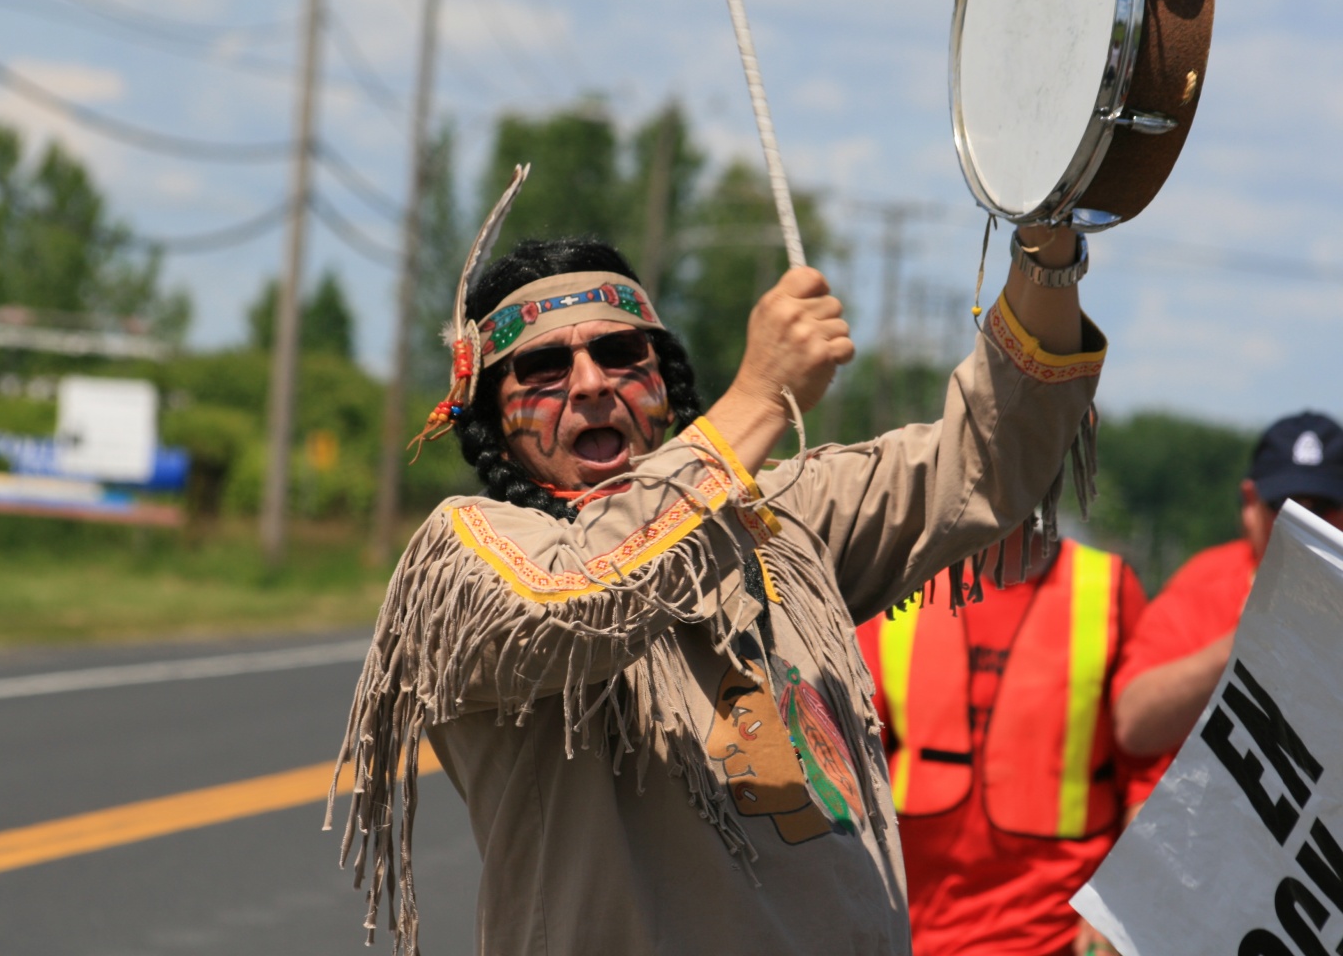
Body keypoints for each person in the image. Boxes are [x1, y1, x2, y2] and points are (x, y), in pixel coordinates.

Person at [328, 190, 1107, 955]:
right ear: (495, 421)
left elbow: (986, 461)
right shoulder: (466, 555)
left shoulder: (773, 519)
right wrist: (761, 395)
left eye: (621, 353)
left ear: (664, 385)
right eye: (541, 369)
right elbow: (572, 598)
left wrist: (1050, 239)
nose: (593, 383)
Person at [856, 524, 1166, 956]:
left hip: (1058, 936)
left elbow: (1147, 771)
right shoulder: (898, 583)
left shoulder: (1108, 587)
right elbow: (845, 762)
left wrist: (1119, 903)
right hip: (910, 929)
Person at [1112, 411, 1343, 759]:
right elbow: (1133, 727)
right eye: (1286, 505)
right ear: (1250, 502)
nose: (1304, 523)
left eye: (1323, 506)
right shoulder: (1203, 581)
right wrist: (1253, 634)